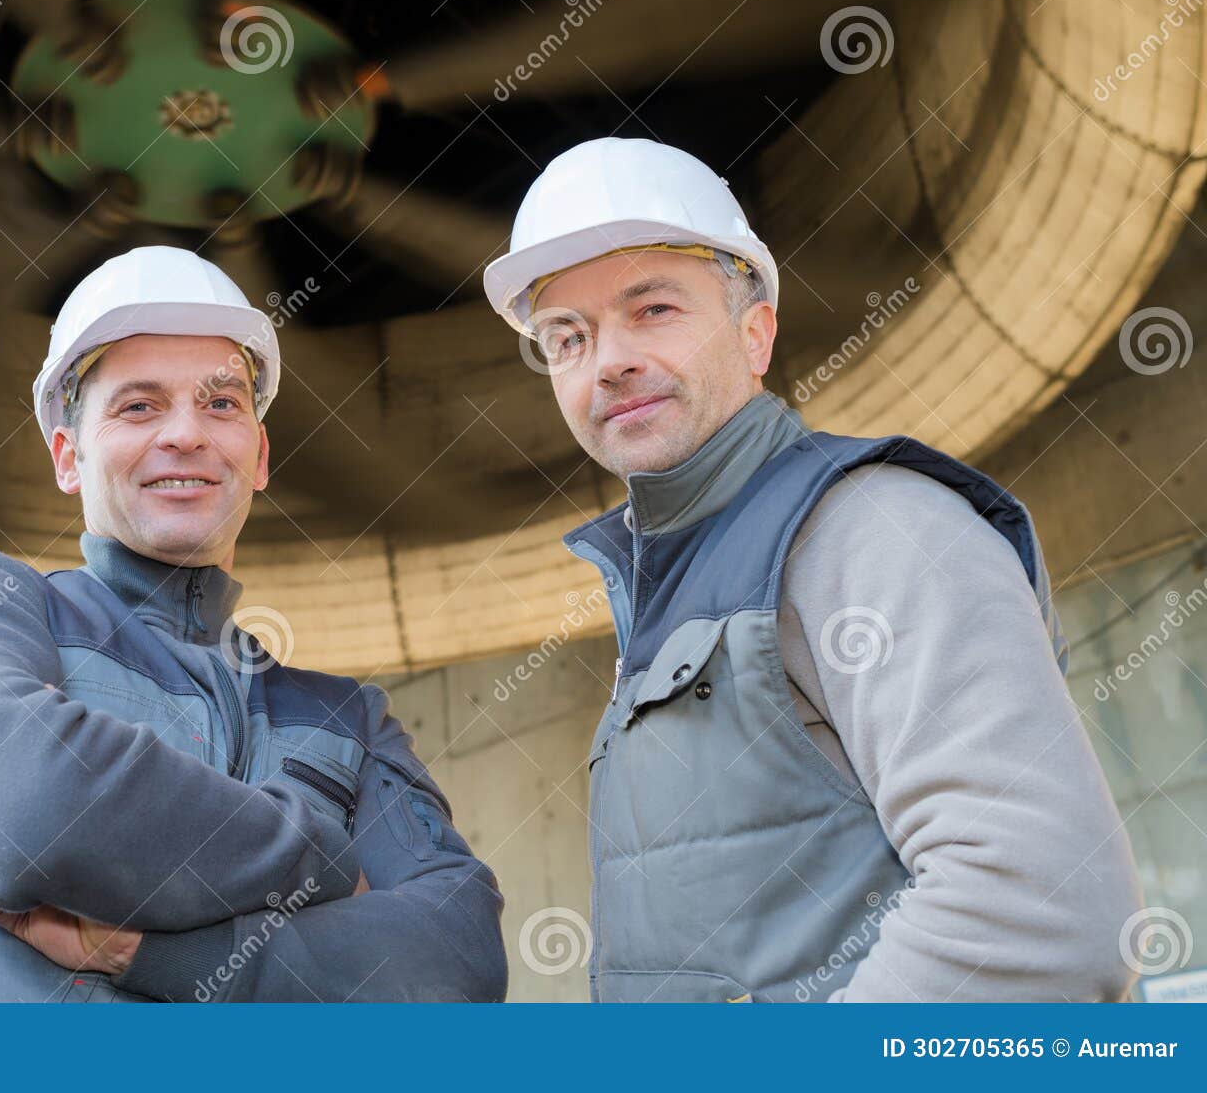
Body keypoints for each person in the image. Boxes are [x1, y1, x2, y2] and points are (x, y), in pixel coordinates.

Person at [482, 136, 1143, 1002]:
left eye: (653, 311)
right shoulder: (670, 584)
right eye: (568, 338)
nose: (609, 362)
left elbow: (1039, 906)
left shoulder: (873, 528)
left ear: (755, 333)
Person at [0, 245, 506, 1002]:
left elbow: (456, 963)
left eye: (221, 404)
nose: (185, 434)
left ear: (257, 456)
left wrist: (156, 953)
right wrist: (320, 857)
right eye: (139, 405)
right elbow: (28, 815)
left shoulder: (348, 718)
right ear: (67, 456)